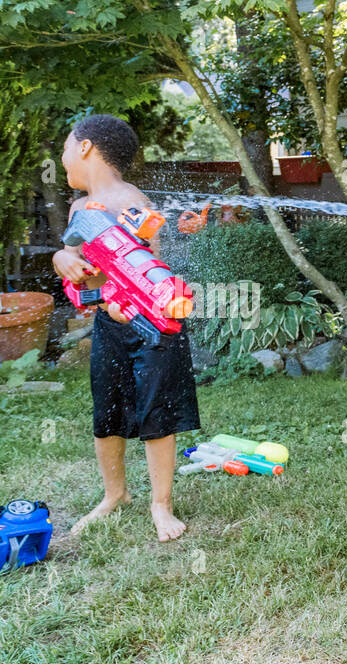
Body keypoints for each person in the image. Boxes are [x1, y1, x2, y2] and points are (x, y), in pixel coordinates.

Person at [52, 114, 201, 542]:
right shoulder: (80, 207)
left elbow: (147, 266)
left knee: (155, 410)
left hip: (149, 324)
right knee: (109, 409)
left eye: (66, 147)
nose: (63, 158)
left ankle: (161, 503)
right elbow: (73, 256)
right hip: (109, 322)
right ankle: (114, 495)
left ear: (85, 148)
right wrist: (63, 260)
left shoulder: (129, 198)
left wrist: (126, 301)